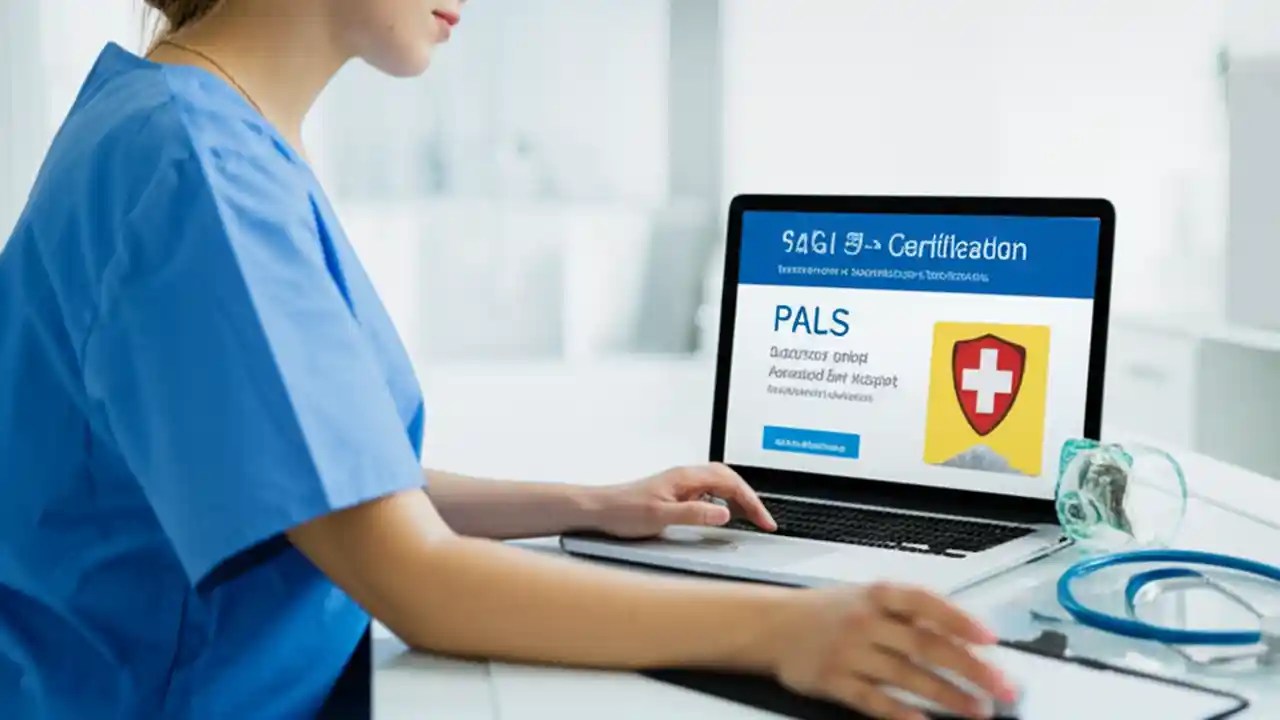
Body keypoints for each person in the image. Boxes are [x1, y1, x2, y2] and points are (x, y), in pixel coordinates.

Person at [0, 1, 1017, 718]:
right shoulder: (196, 169)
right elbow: (417, 583)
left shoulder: (178, 123)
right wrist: (788, 632)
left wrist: (586, 501)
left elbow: (326, 478)